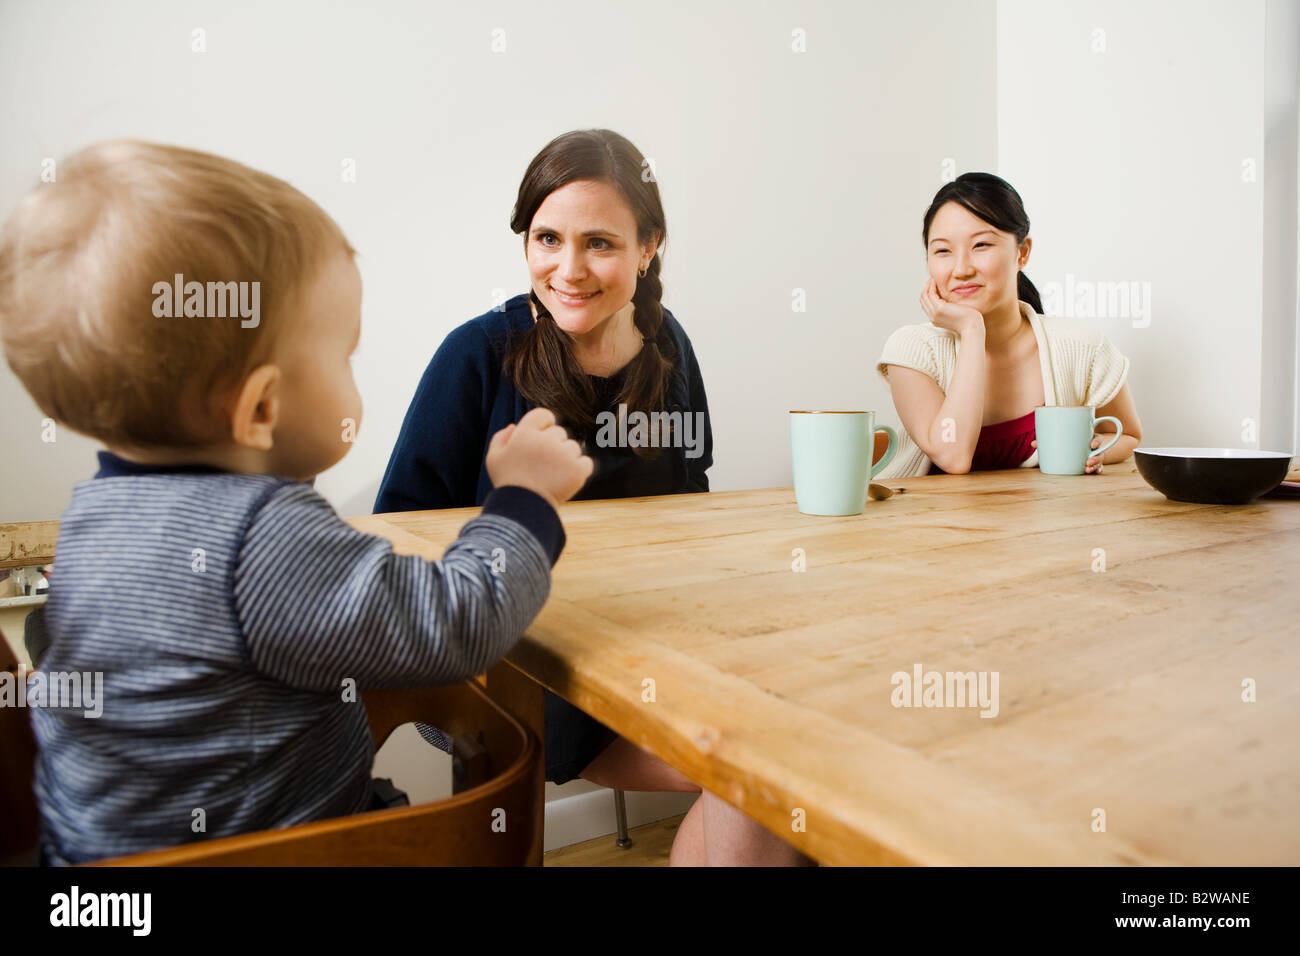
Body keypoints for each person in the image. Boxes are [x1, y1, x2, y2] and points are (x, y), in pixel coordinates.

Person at [0, 140, 591, 864]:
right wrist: (523, 498)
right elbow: (459, 621)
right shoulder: (261, 537)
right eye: (344, 353)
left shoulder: (94, 517)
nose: (352, 372)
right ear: (262, 408)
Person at [376, 128, 810, 865]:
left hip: (650, 644)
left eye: (600, 244)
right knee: (772, 770)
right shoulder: (477, 354)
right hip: (514, 668)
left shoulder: (667, 346)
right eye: (547, 238)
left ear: (649, 248)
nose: (568, 269)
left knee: (795, 750)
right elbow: (398, 533)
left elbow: (691, 499)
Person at [876, 173, 1142, 478]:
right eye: (943, 251)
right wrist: (972, 331)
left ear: (1022, 252)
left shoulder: (1082, 347)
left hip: (1045, 522)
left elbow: (1128, 436)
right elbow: (953, 455)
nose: (961, 269)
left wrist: (1094, 450)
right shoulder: (912, 350)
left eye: (981, 245)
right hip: (924, 523)